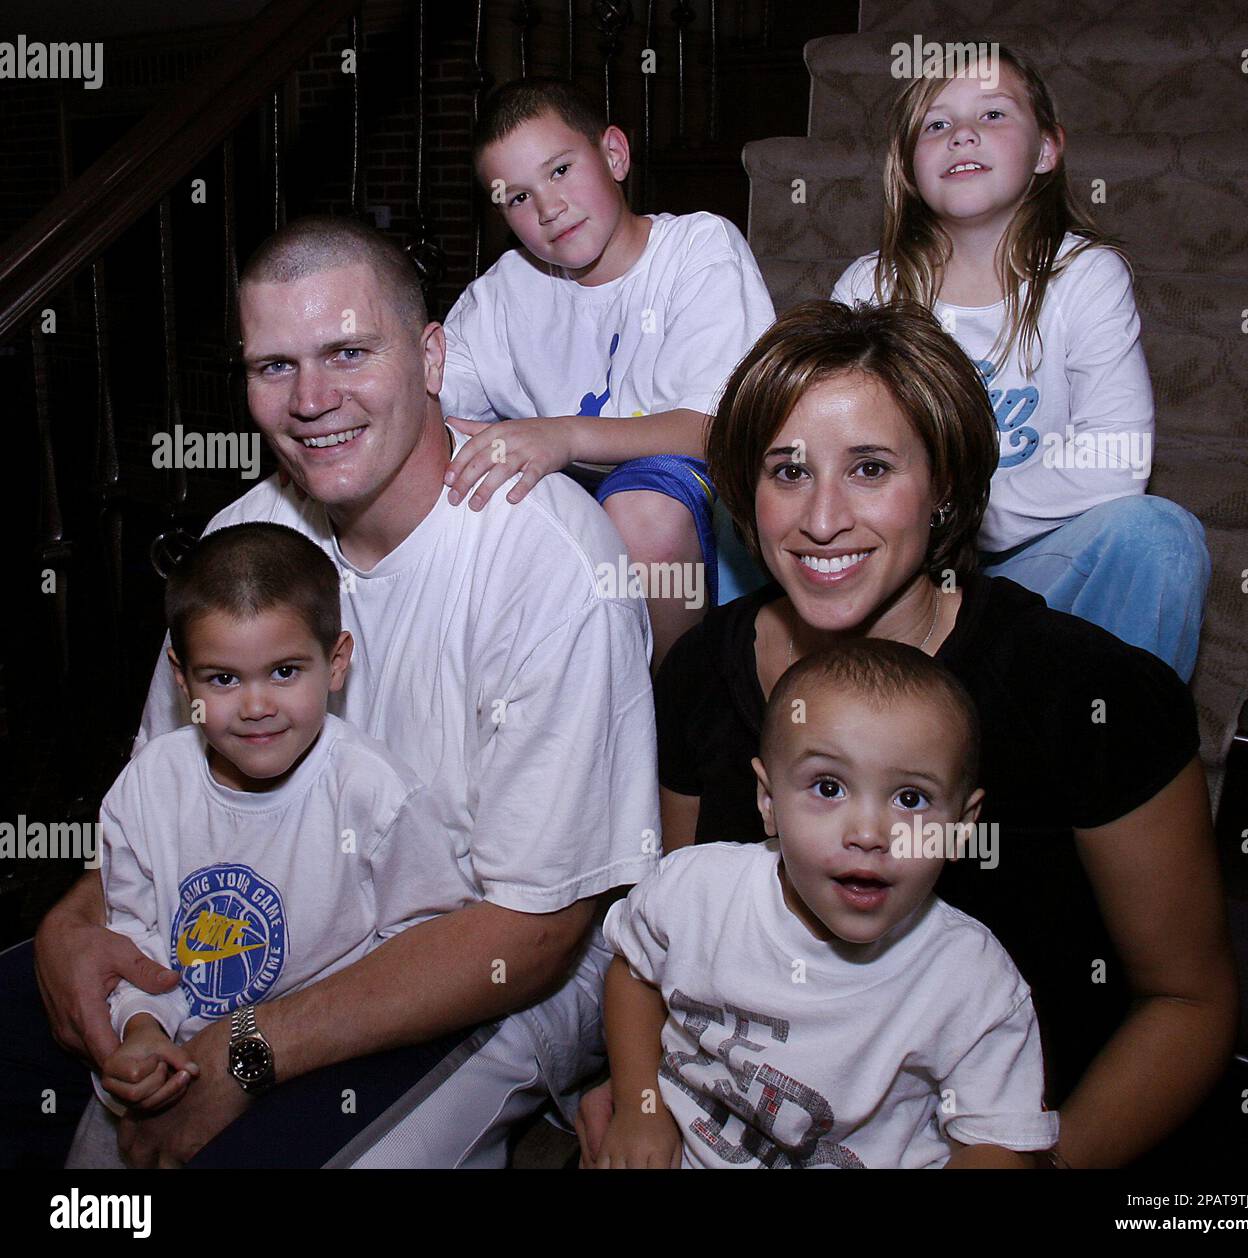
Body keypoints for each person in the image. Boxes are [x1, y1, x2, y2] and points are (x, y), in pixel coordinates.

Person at [16, 214, 659, 1169]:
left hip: (506, 964)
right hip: (280, 919)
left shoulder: (549, 559)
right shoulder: (245, 539)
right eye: (274, 366)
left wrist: (248, 1054)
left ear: (432, 356)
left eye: (349, 351)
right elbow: (166, 799)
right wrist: (71, 920)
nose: (312, 400)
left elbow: (537, 929)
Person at [576, 299, 1237, 1170]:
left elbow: (1187, 1003)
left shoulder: (1086, 695)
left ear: (948, 487)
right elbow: (673, 952)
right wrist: (642, 1103)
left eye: (872, 469)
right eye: (787, 472)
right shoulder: (701, 675)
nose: (821, 519)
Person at [65, 523, 477, 1168]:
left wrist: (304, 1040)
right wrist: (140, 1028)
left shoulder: (375, 793)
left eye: (285, 671)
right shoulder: (147, 787)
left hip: (309, 1067)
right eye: (223, 679)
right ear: (182, 678)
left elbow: (428, 945)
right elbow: (136, 934)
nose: (256, 705)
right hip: (169, 1055)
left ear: (336, 662)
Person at [596, 638, 1060, 1169]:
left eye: (911, 799)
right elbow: (635, 975)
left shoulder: (974, 981)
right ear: (768, 802)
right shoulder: (696, 890)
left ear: (960, 828)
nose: (867, 833)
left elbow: (996, 1142)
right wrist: (640, 1109)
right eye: (829, 787)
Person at [830, 46, 1209, 681]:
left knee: (1159, 536)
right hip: (900, 573)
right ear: (908, 164)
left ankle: (1121, 760)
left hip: (1036, 566)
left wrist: (958, 520)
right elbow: (826, 450)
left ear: (1046, 152)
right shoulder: (871, 285)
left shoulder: (1086, 275)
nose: (964, 134)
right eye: (936, 123)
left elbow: (1116, 456)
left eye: (995, 114)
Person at [437, 76, 775, 666]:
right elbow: (432, 407)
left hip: (695, 526)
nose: (548, 207)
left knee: (640, 506)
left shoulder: (698, 248)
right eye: (516, 197)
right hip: (567, 513)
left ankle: (669, 715)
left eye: (560, 170)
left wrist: (563, 436)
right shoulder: (501, 294)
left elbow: (719, 427)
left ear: (614, 155)